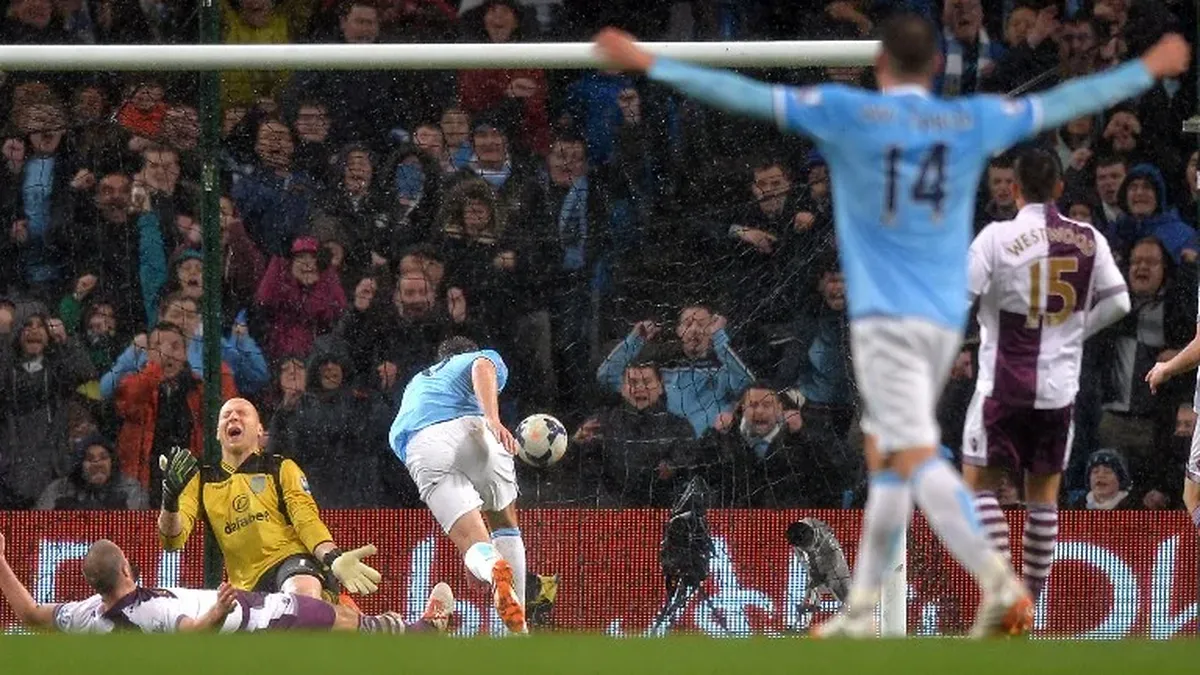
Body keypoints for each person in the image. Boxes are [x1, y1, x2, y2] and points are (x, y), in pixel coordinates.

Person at [592, 16, 1190, 639]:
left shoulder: (847, 111)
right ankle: (861, 608)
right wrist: (1143, 70)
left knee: (909, 452)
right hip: (939, 321)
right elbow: (1061, 101)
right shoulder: (967, 120)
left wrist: (650, 62)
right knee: (887, 455)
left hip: (882, 317)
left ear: (879, 67)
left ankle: (997, 578)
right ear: (936, 68)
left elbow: (743, 94)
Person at [962, 149, 1130, 605]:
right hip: (1057, 392)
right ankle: (1029, 604)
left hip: (1002, 385)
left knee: (978, 487)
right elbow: (1120, 302)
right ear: (1059, 188)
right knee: (1042, 498)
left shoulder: (996, 237)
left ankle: (1002, 595)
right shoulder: (1089, 238)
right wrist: (1075, 330)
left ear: (1014, 189)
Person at [156, 397, 382, 605]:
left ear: (260, 431)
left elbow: (306, 520)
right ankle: (364, 623)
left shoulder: (280, 467)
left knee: (300, 597)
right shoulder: (201, 479)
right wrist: (170, 500)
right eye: (226, 415)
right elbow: (172, 541)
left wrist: (333, 557)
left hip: (291, 562)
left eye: (242, 413)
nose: (233, 417)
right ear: (217, 433)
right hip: (245, 586)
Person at [0, 534, 454, 634]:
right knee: (346, 620)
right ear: (124, 570)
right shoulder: (147, 608)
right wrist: (216, 611)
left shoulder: (83, 617)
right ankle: (426, 631)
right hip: (255, 620)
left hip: (246, 622)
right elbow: (188, 637)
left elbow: (27, 613)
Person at [388, 336, 526, 634]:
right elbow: (481, 366)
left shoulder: (416, 383)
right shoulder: (478, 357)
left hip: (422, 445)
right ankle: (518, 636)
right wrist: (492, 418)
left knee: (475, 545)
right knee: (504, 523)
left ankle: (490, 567)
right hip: (473, 430)